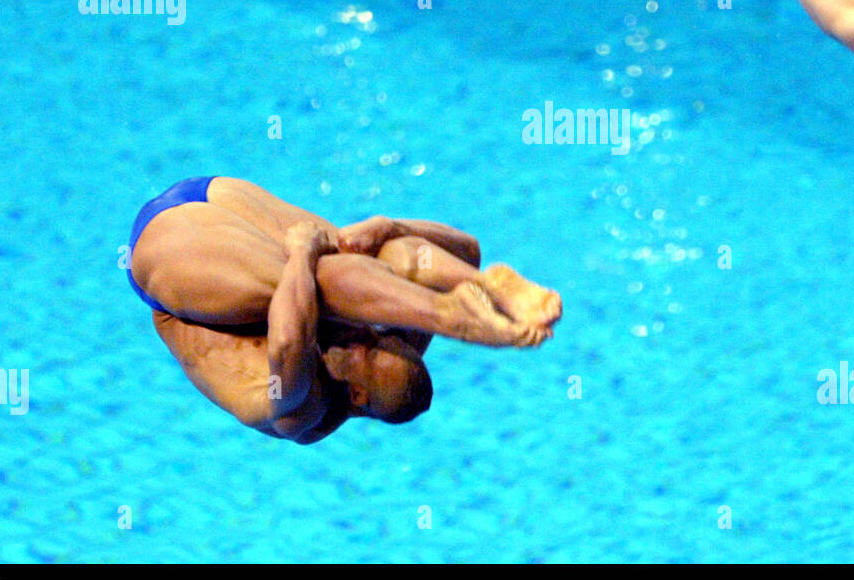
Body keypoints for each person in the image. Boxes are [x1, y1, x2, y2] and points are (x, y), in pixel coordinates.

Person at [125, 176, 561, 443]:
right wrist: (389, 226)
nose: (365, 335)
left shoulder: (302, 410)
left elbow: (288, 338)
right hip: (222, 198)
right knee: (373, 259)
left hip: (169, 252)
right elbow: (467, 251)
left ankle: (453, 318)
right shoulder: (380, 349)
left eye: (369, 351)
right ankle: (484, 291)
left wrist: (301, 254)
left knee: (316, 285)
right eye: (380, 337)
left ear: (357, 396)